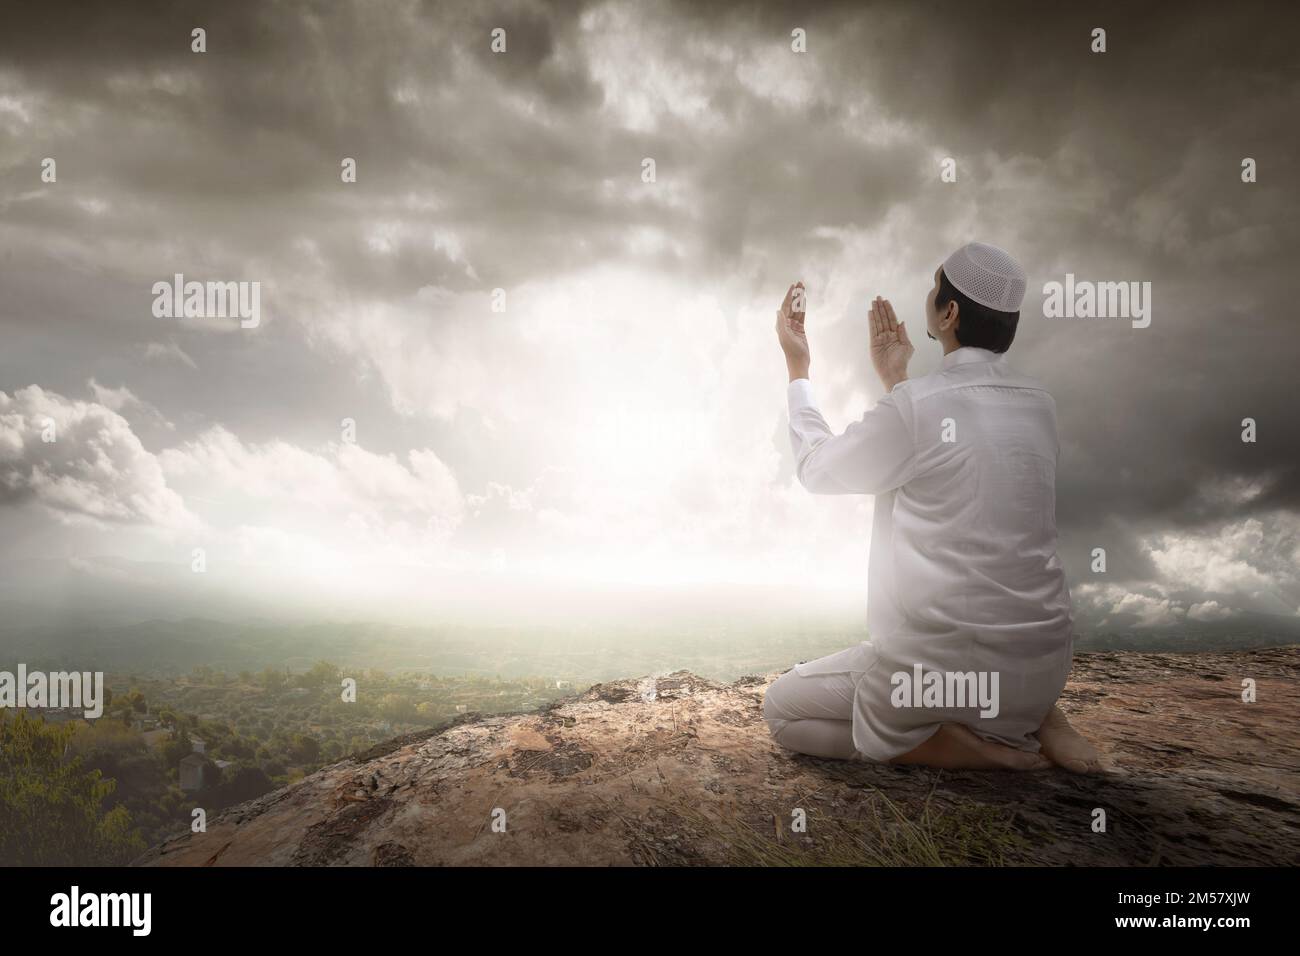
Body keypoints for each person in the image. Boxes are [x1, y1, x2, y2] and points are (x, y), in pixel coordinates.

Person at [767, 242, 1105, 772]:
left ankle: (951, 748)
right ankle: (1039, 719)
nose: (928, 295)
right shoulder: (1040, 404)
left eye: (934, 287)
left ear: (948, 313)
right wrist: (896, 380)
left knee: (783, 712)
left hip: (935, 677)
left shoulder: (917, 406)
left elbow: (819, 469)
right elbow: (953, 472)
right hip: (1038, 671)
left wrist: (798, 366)